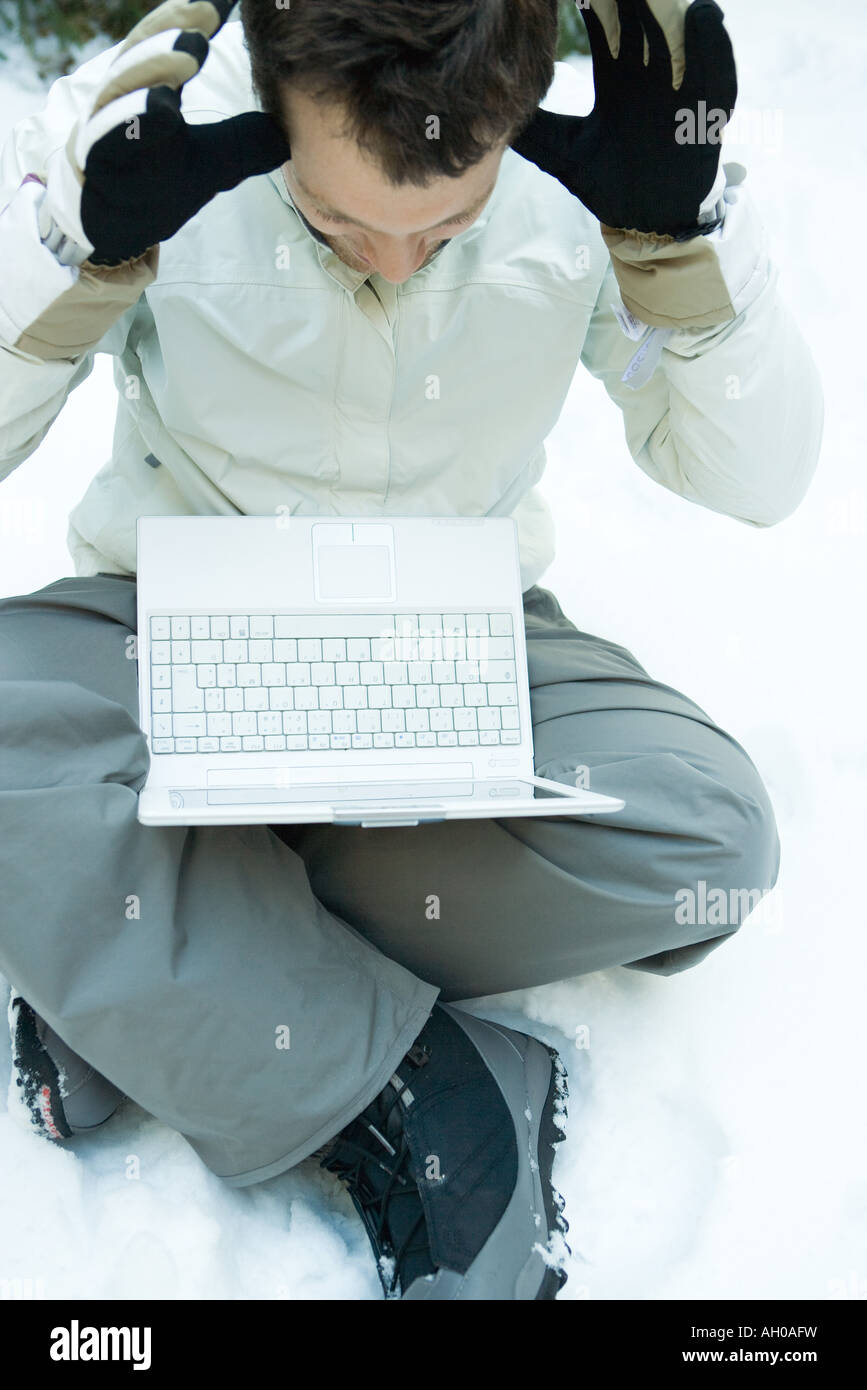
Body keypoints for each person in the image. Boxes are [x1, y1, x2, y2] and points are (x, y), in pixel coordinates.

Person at [0, 0, 823, 1300]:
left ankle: (156, 948)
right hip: (157, 641)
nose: (393, 264)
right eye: (339, 225)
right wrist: (68, 258)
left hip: (460, 649)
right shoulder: (143, 130)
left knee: (708, 840)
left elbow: (760, 479)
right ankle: (413, 1083)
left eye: (442, 229)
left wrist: (683, 247)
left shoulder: (596, 169)